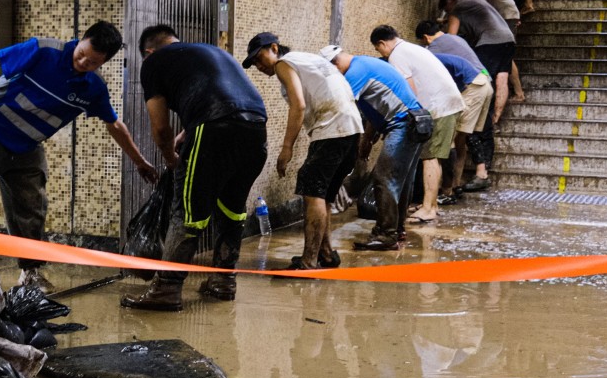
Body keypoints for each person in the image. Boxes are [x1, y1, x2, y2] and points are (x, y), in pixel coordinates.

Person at [0, 21, 157, 294]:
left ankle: (30, 273)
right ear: (80, 40)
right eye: (81, 54)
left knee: (31, 206)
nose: (83, 63)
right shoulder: (43, 50)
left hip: (27, 145)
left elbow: (114, 125)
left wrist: (139, 161)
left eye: (92, 63)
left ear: (103, 63)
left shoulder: (94, 89)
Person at [121, 25, 268, 311]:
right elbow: (225, 99)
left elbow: (161, 128)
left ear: (149, 52)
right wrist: (189, 131)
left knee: (188, 211)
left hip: (214, 128)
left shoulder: (154, 62)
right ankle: (224, 281)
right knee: (232, 209)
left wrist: (171, 160)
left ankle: (166, 289)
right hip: (256, 129)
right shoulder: (210, 51)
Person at [243, 32, 362, 269]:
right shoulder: (307, 59)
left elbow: (298, 104)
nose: (258, 65)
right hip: (350, 128)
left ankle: (308, 261)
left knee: (312, 190)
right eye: (253, 63)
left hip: (332, 129)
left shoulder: (283, 64)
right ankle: (326, 254)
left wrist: (286, 148)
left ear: (274, 48)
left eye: (259, 58)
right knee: (324, 193)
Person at [319, 45, 430, 251]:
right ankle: (397, 229)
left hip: (404, 124)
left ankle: (385, 235)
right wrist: (366, 142)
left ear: (335, 65)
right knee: (402, 181)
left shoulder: (354, 72)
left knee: (383, 178)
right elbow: (374, 113)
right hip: (415, 122)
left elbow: (340, 107)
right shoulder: (365, 63)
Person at [369, 25, 464, 224]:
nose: (382, 54)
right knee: (431, 156)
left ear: (382, 43)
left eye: (379, 50)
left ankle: (429, 208)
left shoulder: (397, 55)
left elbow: (409, 90)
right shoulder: (412, 49)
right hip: (446, 103)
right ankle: (431, 204)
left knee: (430, 157)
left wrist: (410, 117)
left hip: (440, 107)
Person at [436, 0, 516, 191]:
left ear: (449, 4)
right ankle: (496, 115)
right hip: (508, 38)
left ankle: (481, 168)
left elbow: (451, 37)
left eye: (447, 10)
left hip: (488, 45)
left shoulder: (457, 9)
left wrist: (448, 22)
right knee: (501, 77)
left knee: (475, 112)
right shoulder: (479, 1)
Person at [433, 0, 525, 103]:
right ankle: (509, 92)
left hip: (505, 15)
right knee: (504, 57)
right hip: (499, 18)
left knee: (506, 57)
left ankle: (517, 92)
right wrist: (445, 20)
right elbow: (470, 11)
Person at [415, 21, 494, 197]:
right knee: (461, 138)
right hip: (483, 80)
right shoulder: (454, 38)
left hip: (472, 85)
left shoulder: (431, 51)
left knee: (449, 138)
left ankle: (445, 190)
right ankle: (455, 184)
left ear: (426, 38)